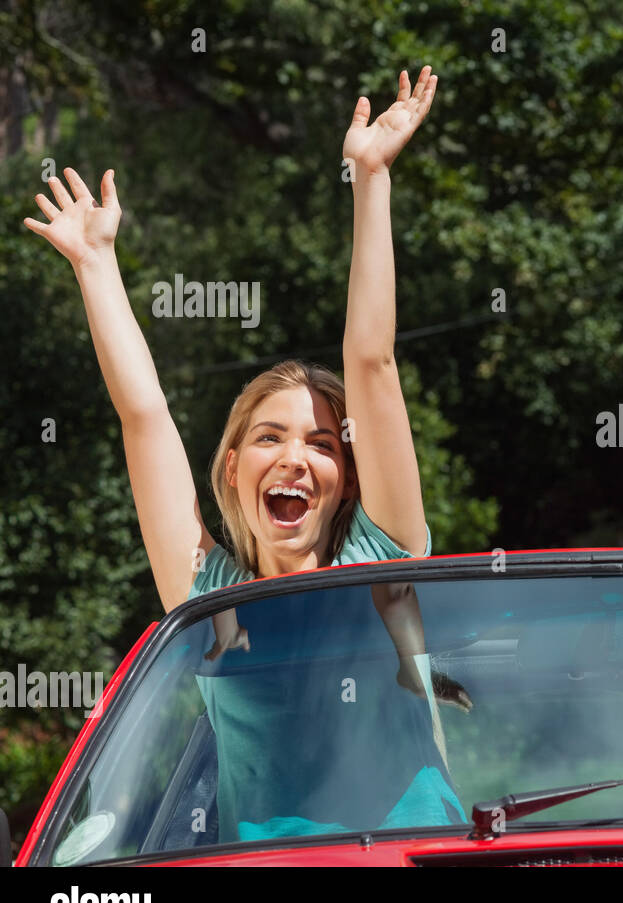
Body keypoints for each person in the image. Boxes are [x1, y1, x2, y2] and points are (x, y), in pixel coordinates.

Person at [24, 65, 463, 836]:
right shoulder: (210, 593)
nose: (296, 456)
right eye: (270, 437)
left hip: (410, 857)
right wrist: (95, 267)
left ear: (347, 474)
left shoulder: (383, 556)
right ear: (233, 467)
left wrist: (369, 178)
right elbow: (144, 416)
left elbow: (372, 361)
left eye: (322, 444)